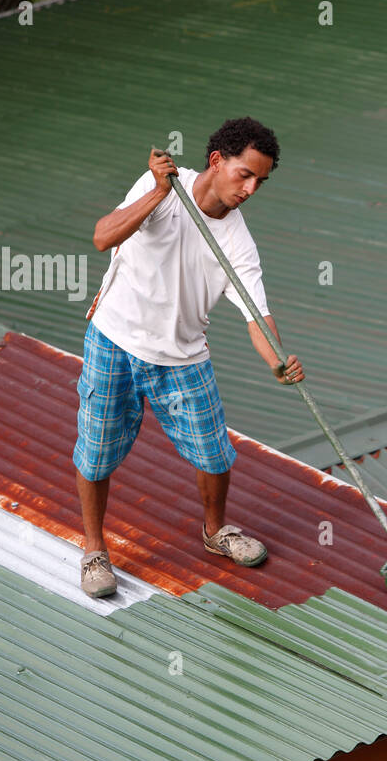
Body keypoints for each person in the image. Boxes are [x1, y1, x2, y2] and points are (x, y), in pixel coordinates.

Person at [73, 117, 304, 598]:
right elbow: (102, 237)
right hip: (113, 339)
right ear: (217, 162)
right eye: (245, 174)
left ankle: (215, 531)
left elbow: (257, 317)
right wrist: (158, 192)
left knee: (215, 455)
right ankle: (95, 549)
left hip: (181, 356)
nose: (251, 189)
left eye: (261, 180)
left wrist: (278, 361)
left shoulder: (237, 241)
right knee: (95, 453)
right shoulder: (160, 186)